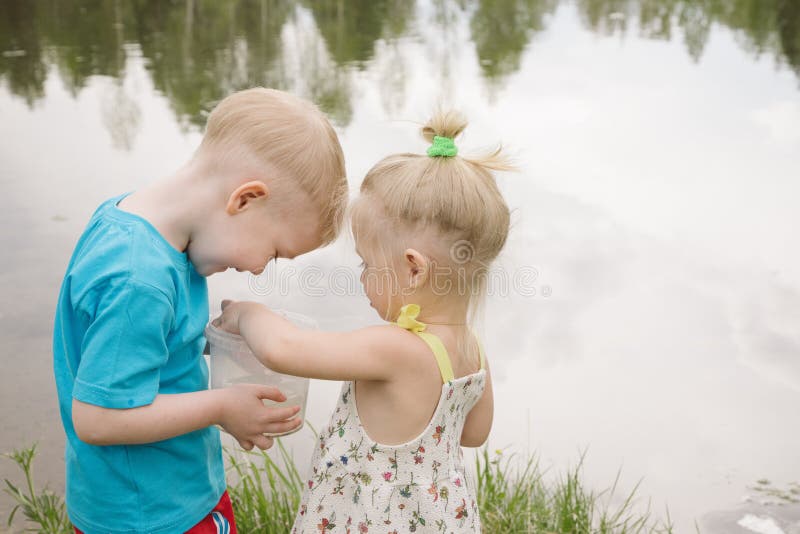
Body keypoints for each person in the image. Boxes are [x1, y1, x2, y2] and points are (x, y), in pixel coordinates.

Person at [52, 87, 348, 534]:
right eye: (272, 252)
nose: (257, 268)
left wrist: (218, 342)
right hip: (146, 516)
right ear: (245, 199)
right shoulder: (140, 278)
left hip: (170, 496)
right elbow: (98, 417)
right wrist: (223, 406)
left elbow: (142, 351)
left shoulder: (146, 230)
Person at [215, 110, 512, 532]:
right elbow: (473, 433)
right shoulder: (472, 349)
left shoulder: (396, 349)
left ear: (413, 269)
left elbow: (284, 350)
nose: (363, 278)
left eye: (367, 264)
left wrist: (248, 313)